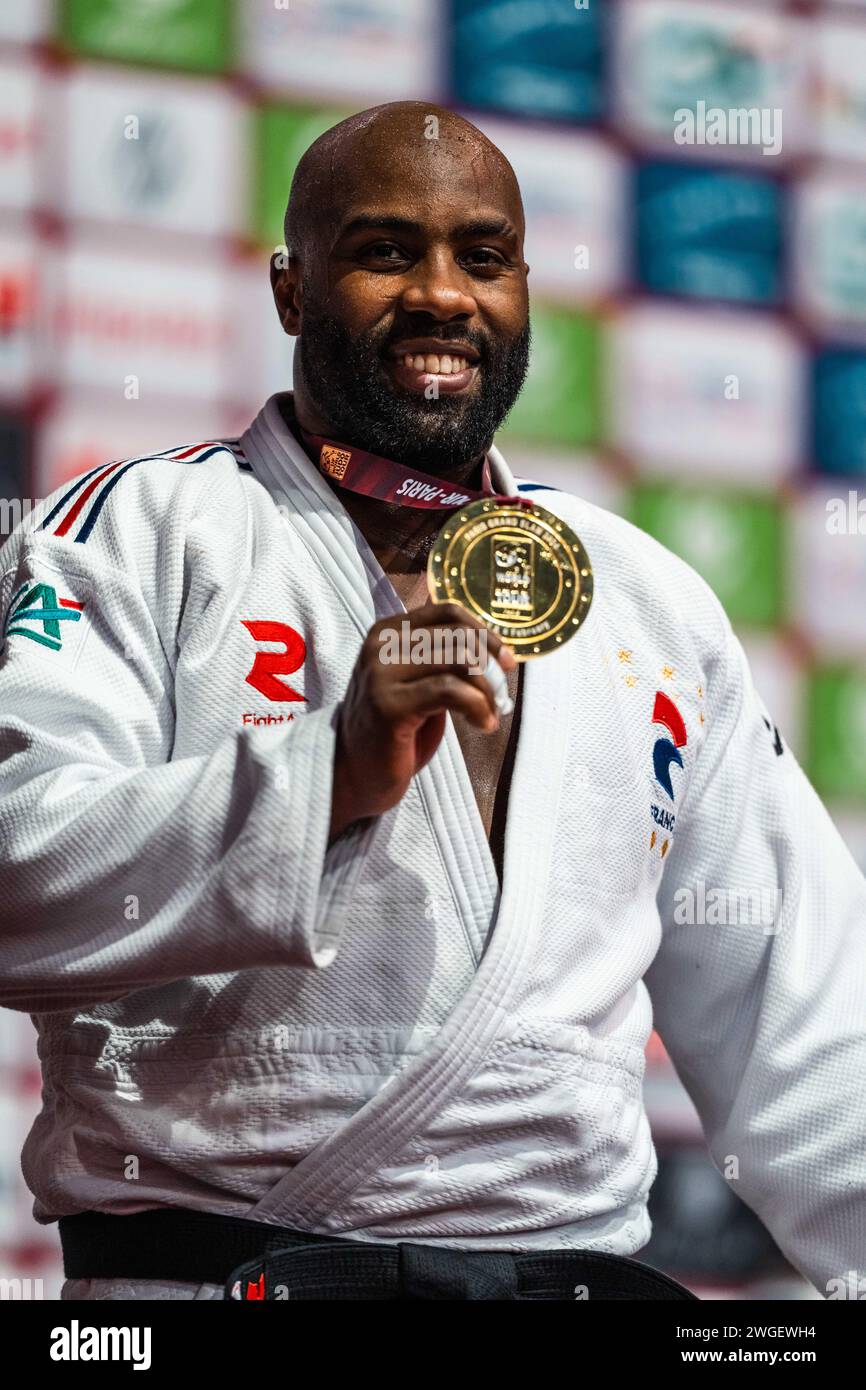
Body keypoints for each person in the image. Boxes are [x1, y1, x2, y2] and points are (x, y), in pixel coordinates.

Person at [0, 103, 863, 1302]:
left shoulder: (640, 597)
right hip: (217, 1279)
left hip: (574, 1283)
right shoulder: (146, 533)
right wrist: (327, 773)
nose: (443, 295)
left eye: (484, 257)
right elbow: (17, 869)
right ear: (291, 291)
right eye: (385, 251)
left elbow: (807, 1017)